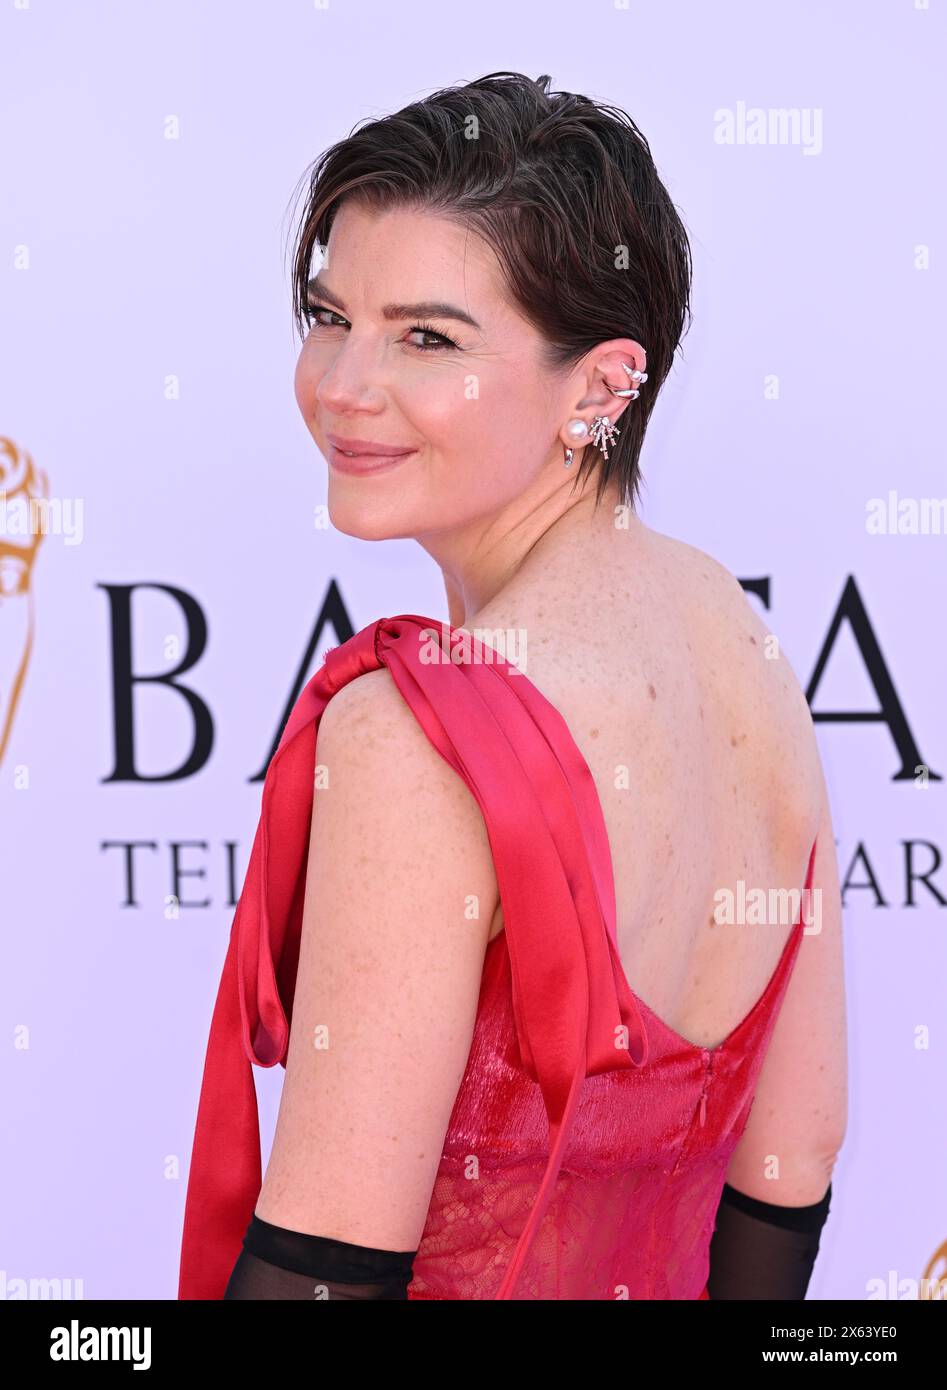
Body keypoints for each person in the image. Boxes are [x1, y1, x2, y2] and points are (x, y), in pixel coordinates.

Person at [178, 71, 846, 1301]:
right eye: (331, 316)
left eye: (427, 337)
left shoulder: (417, 733)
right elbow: (788, 1163)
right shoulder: (732, 636)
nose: (342, 384)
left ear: (599, 387)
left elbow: (322, 1268)